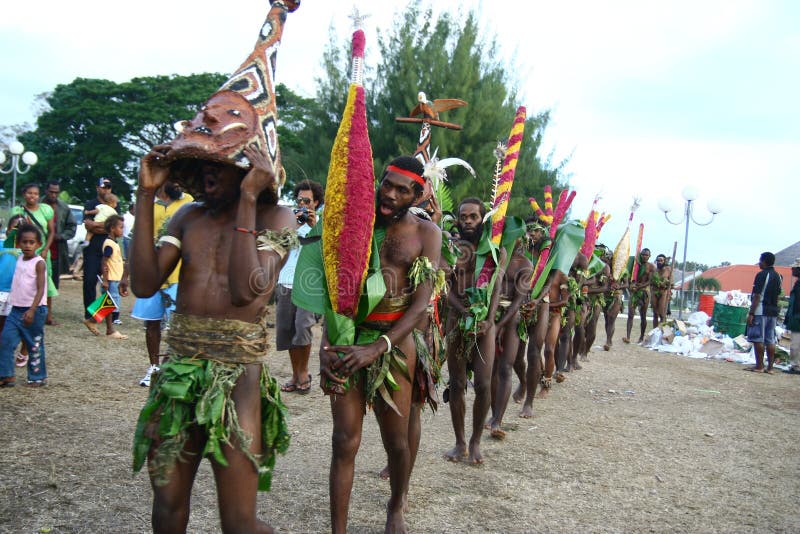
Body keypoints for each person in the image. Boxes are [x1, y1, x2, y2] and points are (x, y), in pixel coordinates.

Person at [317, 156, 441, 533]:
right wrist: (326, 346)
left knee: (396, 442)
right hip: (349, 337)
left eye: (401, 190)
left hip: (396, 344)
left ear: (417, 194)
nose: (389, 194)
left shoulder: (427, 234)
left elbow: (420, 304)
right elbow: (332, 288)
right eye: (386, 184)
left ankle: (396, 507)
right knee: (344, 440)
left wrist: (380, 346)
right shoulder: (357, 223)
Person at [444, 197, 506, 464]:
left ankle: (475, 441)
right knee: (457, 383)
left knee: (482, 383)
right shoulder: (450, 250)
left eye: (474, 217)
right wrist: (463, 310)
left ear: (483, 220)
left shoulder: (495, 252)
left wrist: (489, 320)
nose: (468, 221)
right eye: (464, 216)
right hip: (457, 321)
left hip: (484, 325)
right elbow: (444, 287)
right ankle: (460, 443)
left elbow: (497, 288)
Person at [130, 180, 193, 387]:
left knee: (179, 325)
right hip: (153, 274)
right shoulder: (149, 205)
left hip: (179, 274)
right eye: (174, 179)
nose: (179, 183)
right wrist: (126, 274)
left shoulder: (189, 202)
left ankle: (176, 368)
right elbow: (139, 239)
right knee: (152, 323)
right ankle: (154, 368)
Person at [277, 179, 323, 394]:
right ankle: (295, 375)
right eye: (300, 200)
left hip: (309, 284)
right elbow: (276, 247)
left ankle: (303, 373)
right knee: (287, 330)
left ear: (317, 202)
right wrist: (292, 226)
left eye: (307, 201)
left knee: (303, 327)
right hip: (286, 281)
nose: (303, 205)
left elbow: (327, 253)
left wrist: (314, 227)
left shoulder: (323, 223)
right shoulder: (288, 220)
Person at [488, 238, 532, 438]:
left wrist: (500, 325)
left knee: (506, 366)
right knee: (492, 369)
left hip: (512, 317)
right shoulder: (493, 257)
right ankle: (493, 412)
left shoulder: (524, 264)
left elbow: (518, 300)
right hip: (490, 314)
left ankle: (498, 419)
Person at [0, 224, 48, 388]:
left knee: (34, 344)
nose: (28, 245)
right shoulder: (19, 257)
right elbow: (7, 244)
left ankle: (37, 377)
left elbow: (41, 288)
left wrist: (32, 309)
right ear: (18, 243)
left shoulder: (39, 263)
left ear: (38, 244)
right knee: (5, 340)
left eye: (31, 242)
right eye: (24, 242)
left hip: (34, 310)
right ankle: (6, 375)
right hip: (16, 309)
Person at [82, 177, 119, 336]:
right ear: (97, 188)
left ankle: (108, 319)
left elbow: (115, 227)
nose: (106, 190)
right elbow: (87, 225)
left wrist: (97, 226)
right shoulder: (91, 204)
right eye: (104, 187)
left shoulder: (115, 204)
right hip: (92, 249)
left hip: (109, 250)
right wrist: (105, 226)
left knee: (109, 285)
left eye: (109, 187)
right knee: (90, 280)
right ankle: (90, 315)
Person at [12, 183, 58, 304]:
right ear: (24, 194)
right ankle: (24, 305)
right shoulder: (18, 210)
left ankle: (47, 312)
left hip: (42, 251)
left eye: (36, 194)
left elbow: (51, 232)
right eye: (29, 193)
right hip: (25, 250)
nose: (33, 196)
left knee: (45, 280)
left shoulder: (45, 209)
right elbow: (14, 231)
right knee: (25, 279)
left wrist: (45, 249)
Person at [42, 180, 77, 325]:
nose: (54, 194)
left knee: (51, 285)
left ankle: (47, 315)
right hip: (38, 250)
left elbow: (72, 226)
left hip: (56, 251)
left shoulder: (63, 207)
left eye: (56, 192)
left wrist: (61, 236)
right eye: (51, 191)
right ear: (46, 191)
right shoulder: (39, 205)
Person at [745, 252, 782, 373]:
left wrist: (751, 313)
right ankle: (770, 368)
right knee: (770, 339)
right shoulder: (778, 276)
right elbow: (777, 296)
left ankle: (759, 366)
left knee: (758, 339)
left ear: (765, 261)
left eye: (760, 260)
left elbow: (757, 295)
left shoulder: (761, 275)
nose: (759, 263)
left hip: (761, 310)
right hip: (773, 311)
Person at [101, 215, 128, 339]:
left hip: (114, 279)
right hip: (110, 279)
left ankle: (93, 321)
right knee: (109, 304)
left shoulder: (114, 243)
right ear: (112, 228)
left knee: (108, 303)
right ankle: (110, 329)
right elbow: (104, 262)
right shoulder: (109, 245)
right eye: (120, 227)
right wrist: (105, 280)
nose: (122, 230)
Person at [623, 248, 655, 344]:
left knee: (643, 315)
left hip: (644, 292)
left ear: (649, 256)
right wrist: (631, 286)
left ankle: (641, 337)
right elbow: (629, 276)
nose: (645, 256)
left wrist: (640, 286)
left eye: (646, 255)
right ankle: (628, 336)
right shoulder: (635, 265)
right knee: (630, 314)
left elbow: (650, 281)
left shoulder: (651, 267)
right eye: (643, 254)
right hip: (634, 291)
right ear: (640, 255)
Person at [783, 258, 800, 374]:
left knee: (795, 345)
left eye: (794, 268)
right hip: (795, 318)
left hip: (798, 319)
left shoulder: (798, 285)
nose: (792, 270)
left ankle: (795, 366)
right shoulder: (797, 283)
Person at [651, 253, 672, 329]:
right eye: (658, 260)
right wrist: (657, 283)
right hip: (654, 292)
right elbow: (651, 282)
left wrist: (665, 284)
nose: (659, 262)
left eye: (661, 260)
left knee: (662, 313)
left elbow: (671, 282)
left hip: (664, 292)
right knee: (655, 314)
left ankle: (662, 331)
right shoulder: (654, 270)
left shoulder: (668, 270)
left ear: (664, 261)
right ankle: (655, 331)